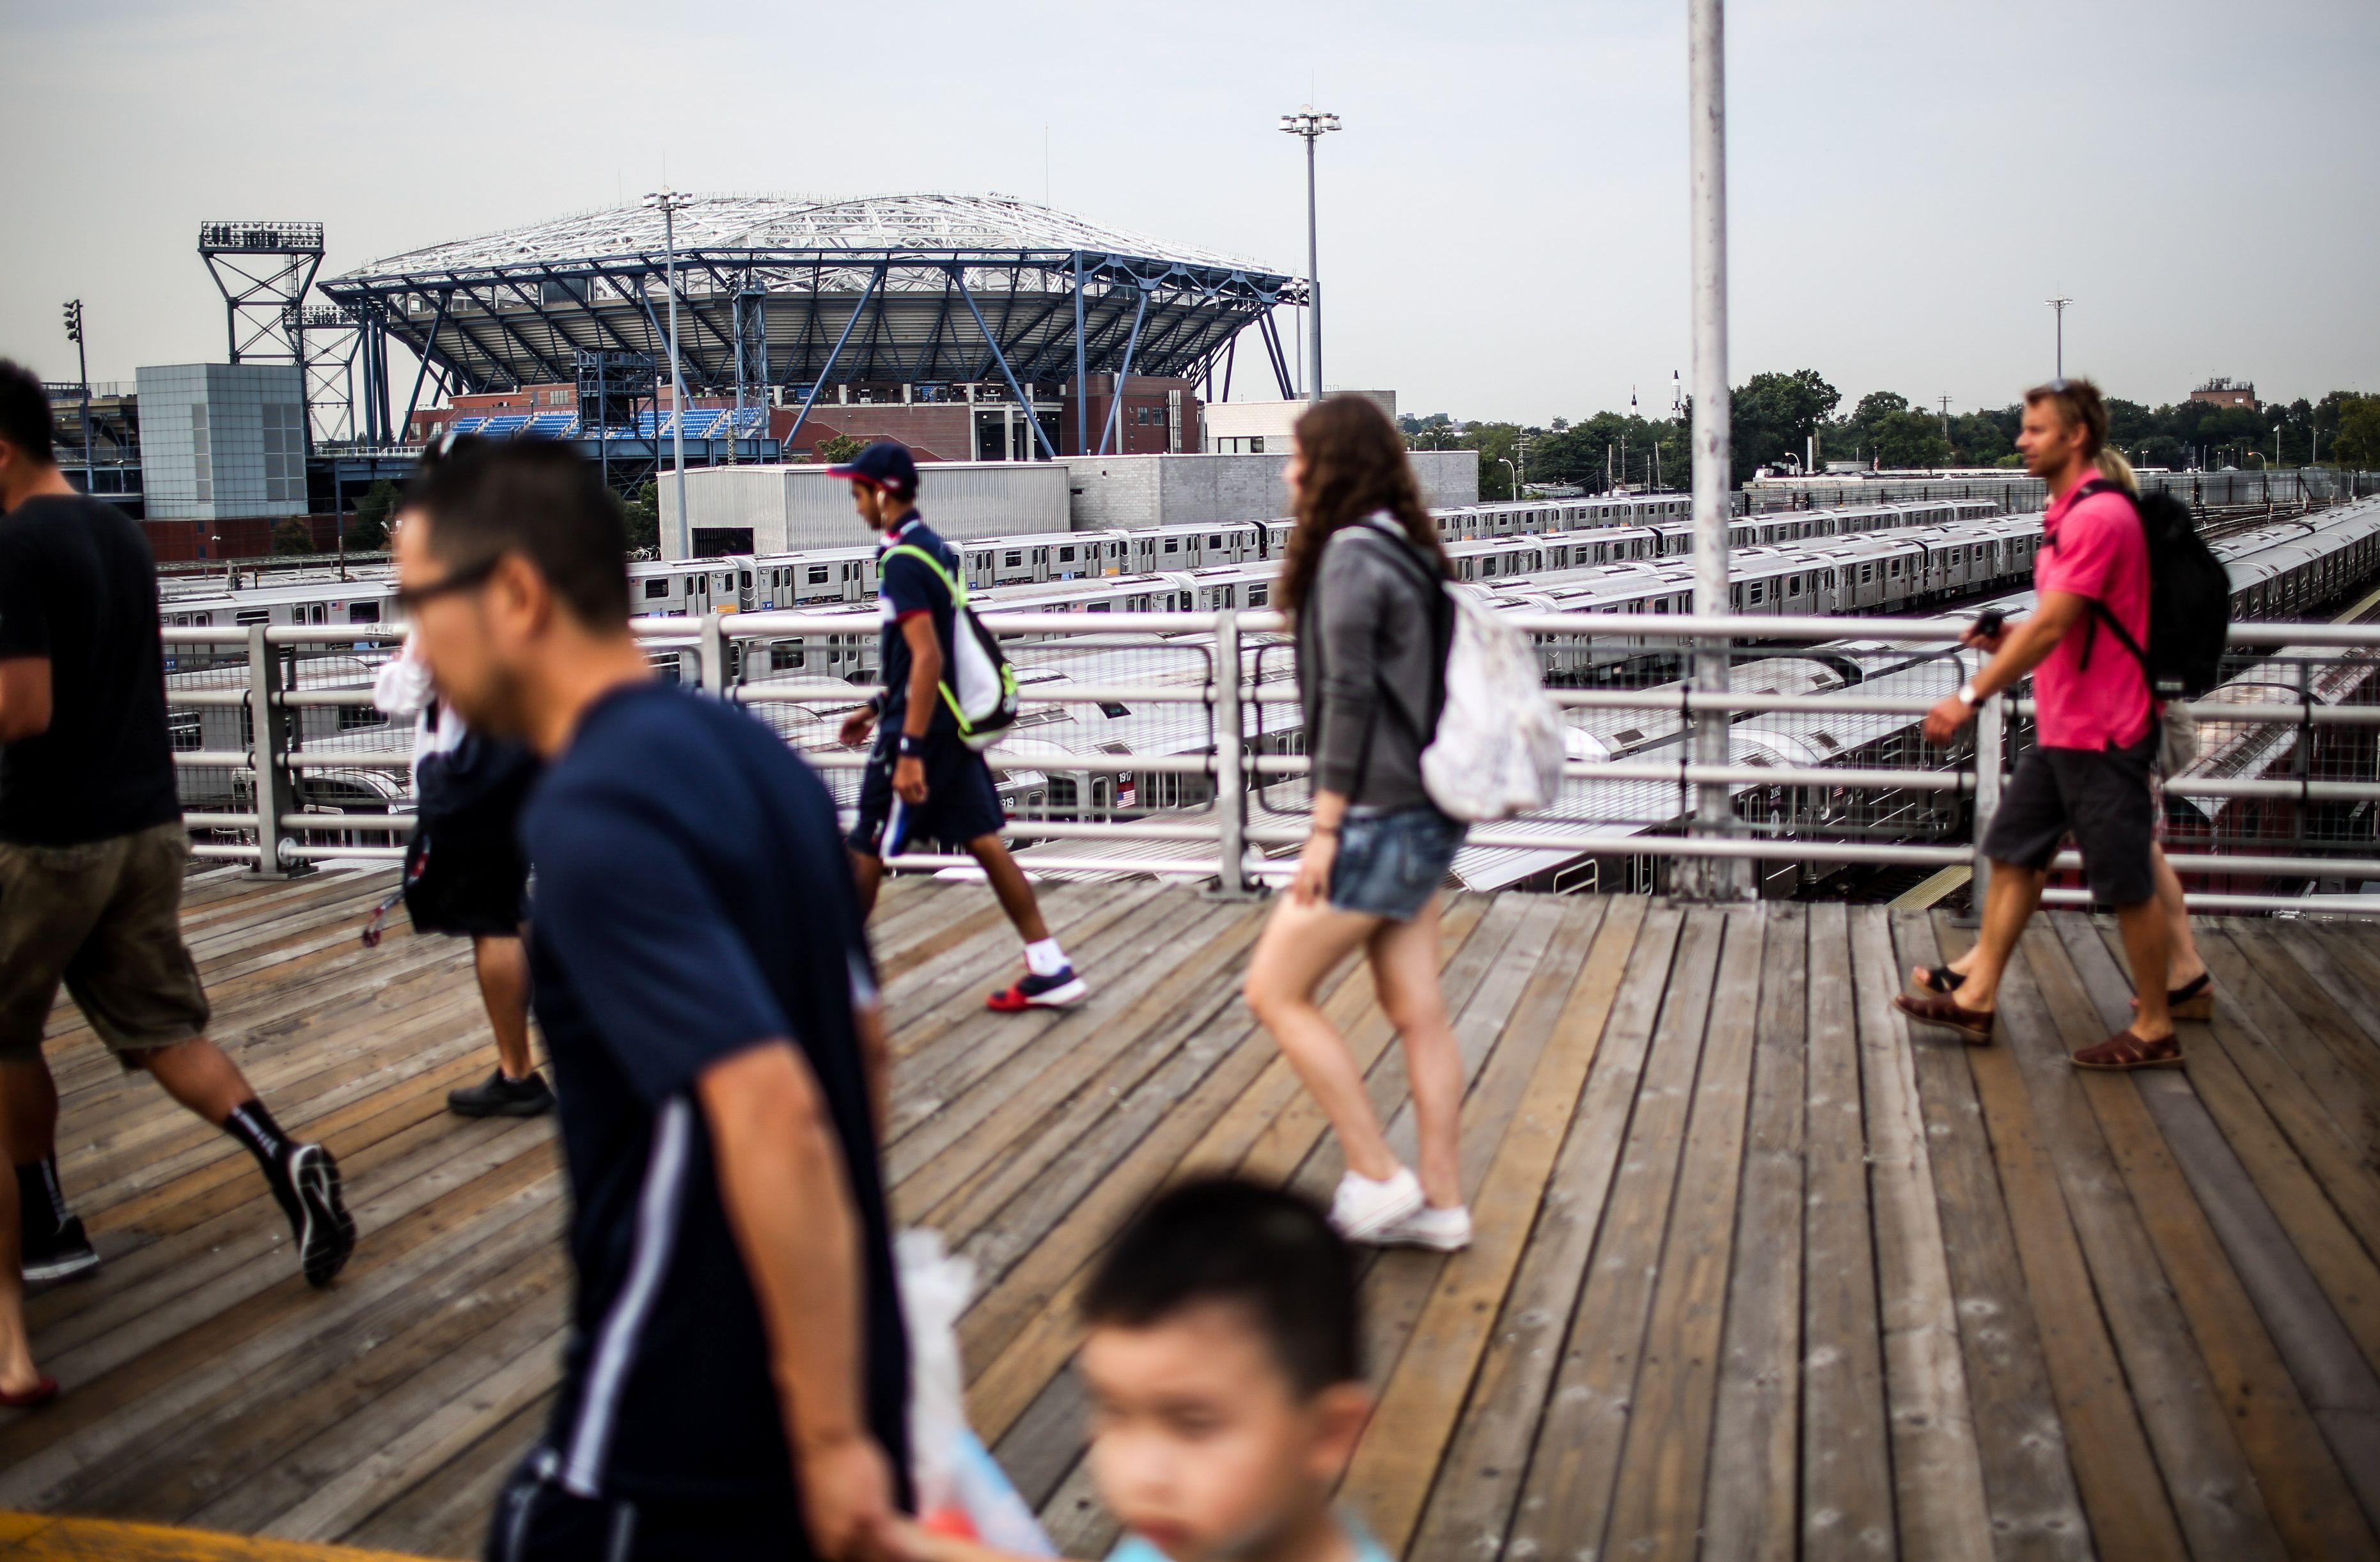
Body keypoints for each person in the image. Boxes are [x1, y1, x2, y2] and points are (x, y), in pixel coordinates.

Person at [389, 439, 907, 1561]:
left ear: (514, 593)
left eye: (420, 601)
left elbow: (773, 1106)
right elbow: (863, 1048)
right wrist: (839, 1380)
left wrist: (821, 1436)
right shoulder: (751, 752)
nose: (414, 644)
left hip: (672, 1427)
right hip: (839, 1374)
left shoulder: (592, 816)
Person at [0, 359, 354, 1290]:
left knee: (8, 1035)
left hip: (49, 836)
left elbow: (23, 707)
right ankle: (283, 1157)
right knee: (164, 1032)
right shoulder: (120, 538)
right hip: (149, 823)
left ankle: (46, 1225)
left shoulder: (16, 546)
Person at [1241, 396, 1470, 1250]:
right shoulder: (1412, 552)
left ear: (1330, 463)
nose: (1287, 470)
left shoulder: (1346, 557)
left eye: (1297, 455)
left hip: (1373, 815)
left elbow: (1344, 696)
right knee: (1417, 1009)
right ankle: (1441, 1202)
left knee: (1274, 990)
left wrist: (1325, 828)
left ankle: (1376, 1172)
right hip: (1427, 808)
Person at [1898, 378, 2179, 1068]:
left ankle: (2154, 1027)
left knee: (2126, 885)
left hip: (2105, 731)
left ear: (2075, 436)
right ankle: (1976, 996)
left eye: (2034, 429)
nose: (2020, 440)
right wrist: (2008, 639)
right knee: (2012, 852)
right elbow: (2067, 622)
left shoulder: (2097, 517)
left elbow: (2055, 624)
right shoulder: (2066, 513)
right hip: (2064, 729)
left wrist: (1968, 696)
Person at [898, 1178, 1387, 1562]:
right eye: (1113, 1410)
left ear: (1329, 1433)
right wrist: (917, 1545)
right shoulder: (1187, 1538)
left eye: (1194, 1424)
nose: (1140, 1474)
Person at [832, 441, 1084, 1012]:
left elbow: (927, 657)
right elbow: (926, 651)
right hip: (949, 726)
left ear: (883, 495)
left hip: (919, 732)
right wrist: (873, 704)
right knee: (985, 841)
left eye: (859, 493)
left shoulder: (902, 562)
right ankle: (1050, 964)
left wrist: (909, 747)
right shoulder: (934, 549)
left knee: (867, 842)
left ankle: (834, 976)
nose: (856, 505)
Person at [372, 612, 553, 1118]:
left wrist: (403, 658)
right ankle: (569, 1025)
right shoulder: (521, 594)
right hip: (517, 764)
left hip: (466, 775)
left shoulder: (448, 603)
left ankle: (517, 1073)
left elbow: (403, 692)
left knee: (491, 920)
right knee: (511, 904)